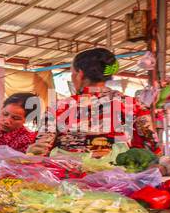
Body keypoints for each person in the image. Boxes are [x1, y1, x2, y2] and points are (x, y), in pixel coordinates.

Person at [30, 47, 161, 159]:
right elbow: (152, 147)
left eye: (72, 73)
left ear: (79, 74)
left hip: (69, 181)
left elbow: (39, 151)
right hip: (119, 181)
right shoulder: (134, 105)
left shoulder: (57, 108)